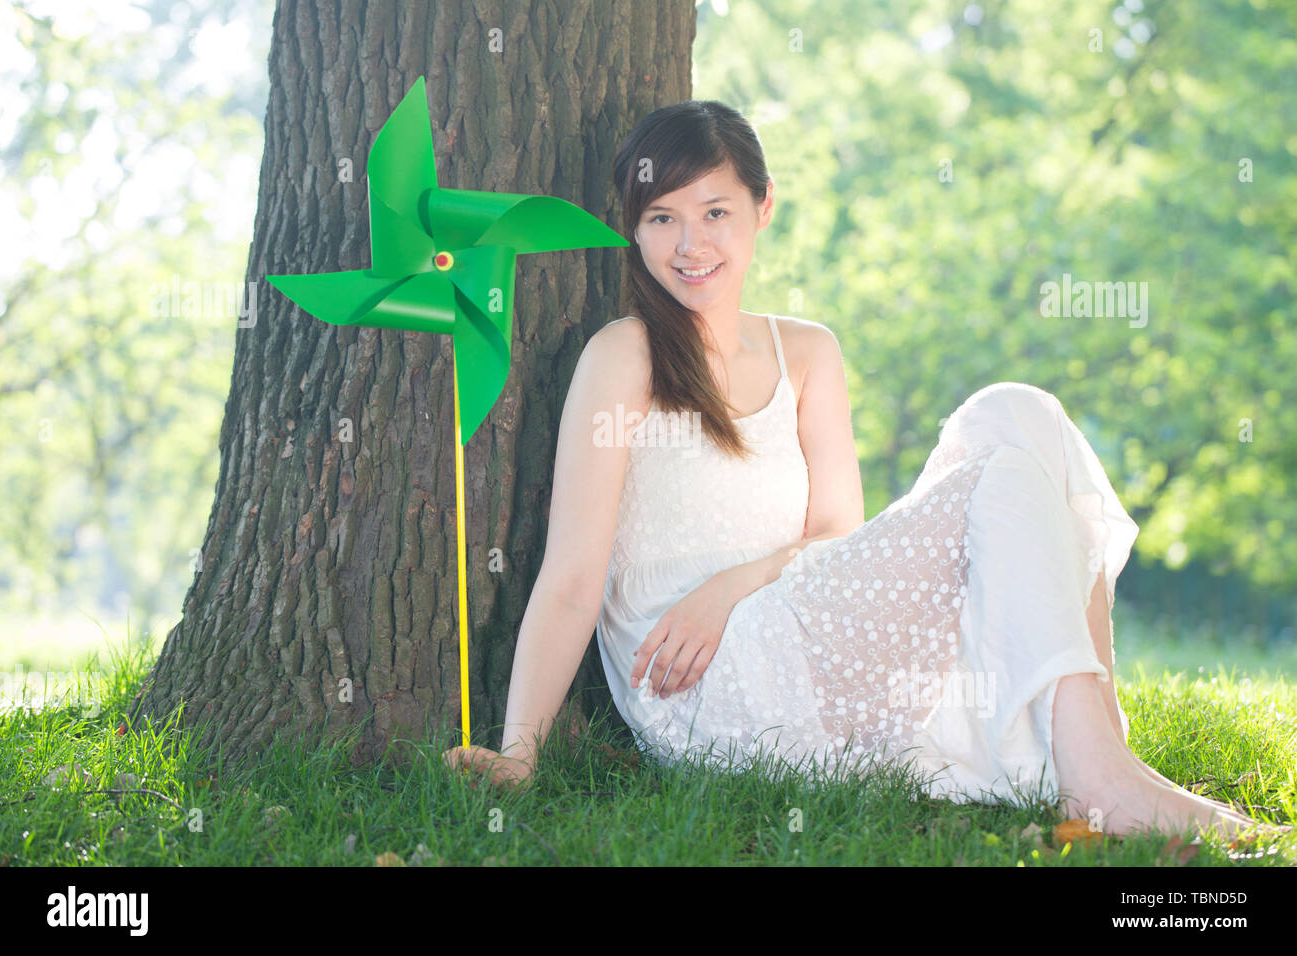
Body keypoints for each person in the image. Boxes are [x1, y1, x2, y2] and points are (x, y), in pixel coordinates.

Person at [444, 101, 1288, 843]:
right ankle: (1101, 780)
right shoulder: (620, 358)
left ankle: (1103, 752)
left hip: (789, 616)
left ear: (763, 209)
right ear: (633, 227)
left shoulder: (807, 351)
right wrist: (519, 754)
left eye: (714, 211)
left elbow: (834, 538)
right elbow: (572, 578)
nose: (689, 244)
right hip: (704, 683)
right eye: (661, 217)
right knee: (999, 467)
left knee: (1018, 410)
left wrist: (733, 583)